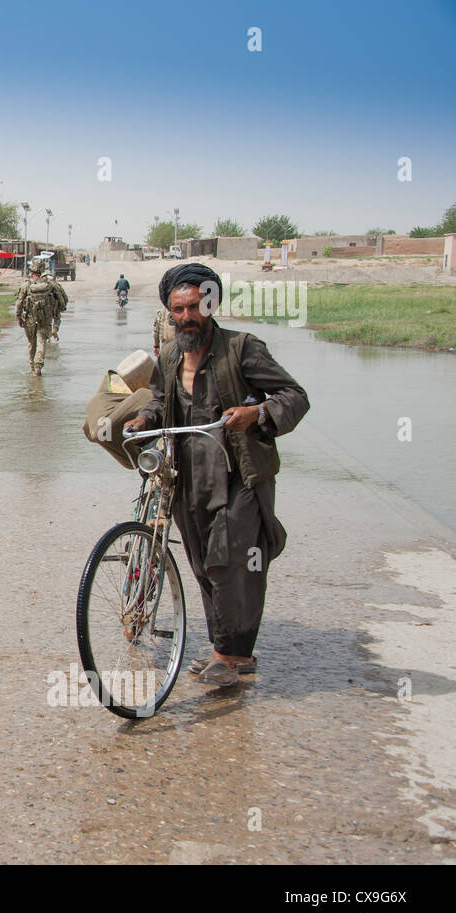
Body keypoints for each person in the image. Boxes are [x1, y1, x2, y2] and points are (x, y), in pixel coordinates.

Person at [126, 263, 309, 686]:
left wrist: (257, 413)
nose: (187, 317)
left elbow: (294, 396)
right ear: (169, 312)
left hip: (240, 475)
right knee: (203, 564)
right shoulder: (170, 355)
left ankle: (231, 655)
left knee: (230, 563)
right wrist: (142, 421)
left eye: (195, 307)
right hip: (189, 477)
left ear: (211, 305)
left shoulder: (242, 349)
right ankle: (224, 648)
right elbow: (159, 401)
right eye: (179, 309)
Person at [14, 257, 68, 375]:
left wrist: (18, 317)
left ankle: (32, 367)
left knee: (31, 343)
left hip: (30, 320)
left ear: (32, 271)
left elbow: (19, 303)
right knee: (41, 342)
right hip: (45, 319)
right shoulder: (50, 286)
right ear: (42, 270)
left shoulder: (26, 286)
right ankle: (38, 366)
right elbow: (61, 302)